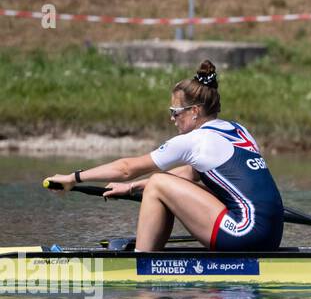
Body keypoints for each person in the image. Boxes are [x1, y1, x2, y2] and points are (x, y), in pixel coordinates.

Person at [44, 61, 285, 253]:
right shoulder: (239, 130)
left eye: (175, 112)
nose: (172, 119)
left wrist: (73, 178)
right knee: (159, 183)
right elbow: (189, 174)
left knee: (158, 183)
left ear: (194, 111)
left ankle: (143, 261)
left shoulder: (194, 140)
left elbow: (127, 167)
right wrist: (133, 188)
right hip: (271, 234)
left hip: (244, 234)